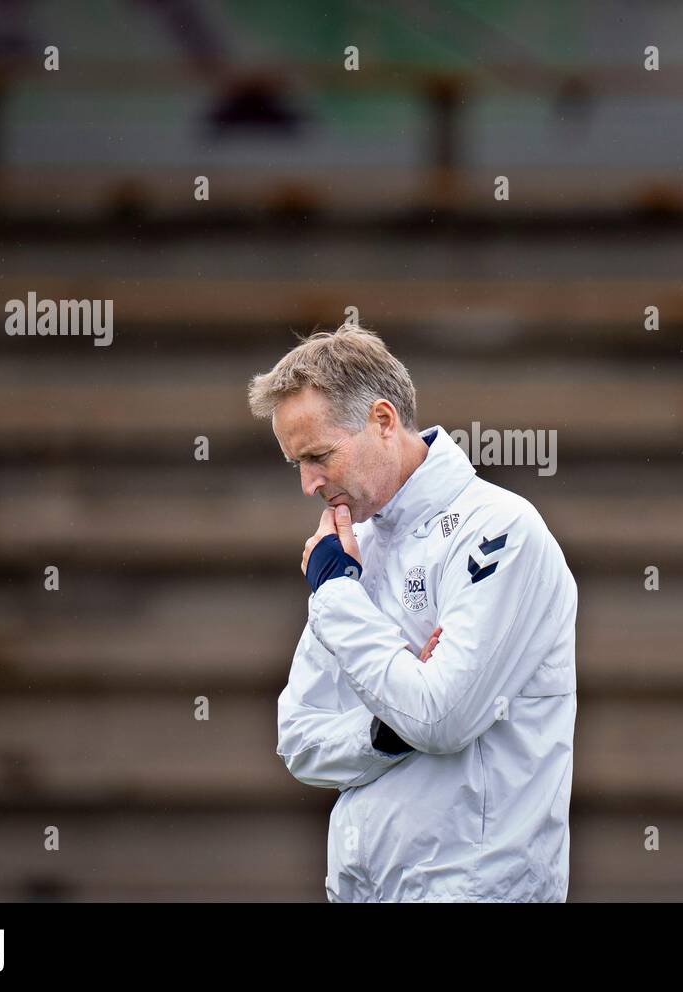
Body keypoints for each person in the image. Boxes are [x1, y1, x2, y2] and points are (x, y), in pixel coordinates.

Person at [246, 323, 578, 902]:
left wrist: (338, 597)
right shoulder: (356, 549)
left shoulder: (499, 528)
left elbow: (439, 718)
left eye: (319, 455)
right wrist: (386, 729)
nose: (308, 484)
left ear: (382, 420)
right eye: (294, 463)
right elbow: (298, 739)